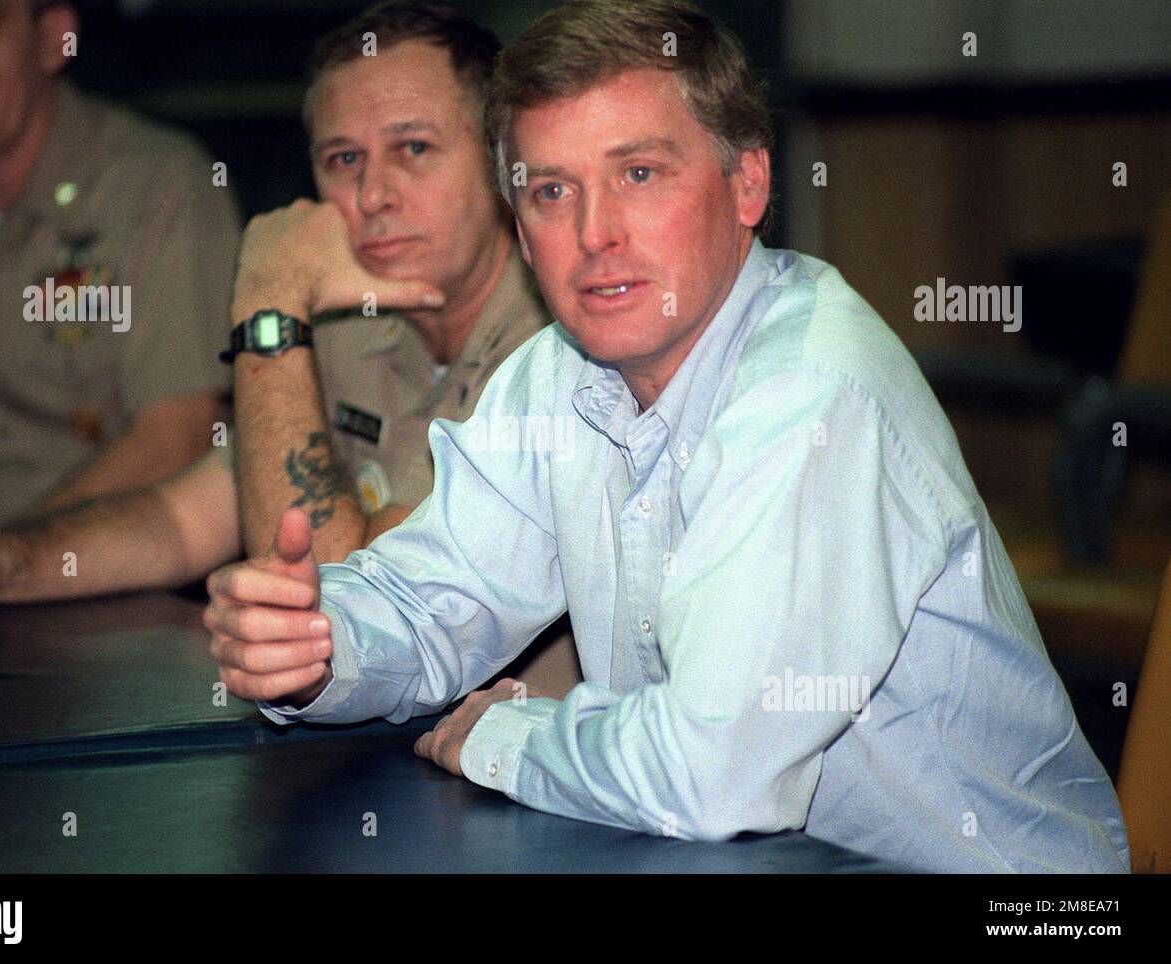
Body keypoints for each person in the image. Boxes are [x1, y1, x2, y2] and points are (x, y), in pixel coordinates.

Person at [208, 0, 1130, 872]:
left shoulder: (812, 394)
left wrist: (506, 734)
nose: (594, 233)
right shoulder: (559, 372)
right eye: (552, 190)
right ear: (520, 230)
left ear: (749, 183)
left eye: (639, 175)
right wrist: (318, 644)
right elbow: (432, 603)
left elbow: (712, 774)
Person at [0, 0, 581, 698]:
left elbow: (347, 623)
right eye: (343, 159)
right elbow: (180, 521)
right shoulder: (357, 324)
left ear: (502, 161)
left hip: (539, 765)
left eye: (414, 149)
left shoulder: (560, 350)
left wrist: (269, 310)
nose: (372, 195)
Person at [0, 0, 238, 527]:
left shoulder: (159, 188)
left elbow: (180, 438)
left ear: (52, 39)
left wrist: (0, 559)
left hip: (137, 550)